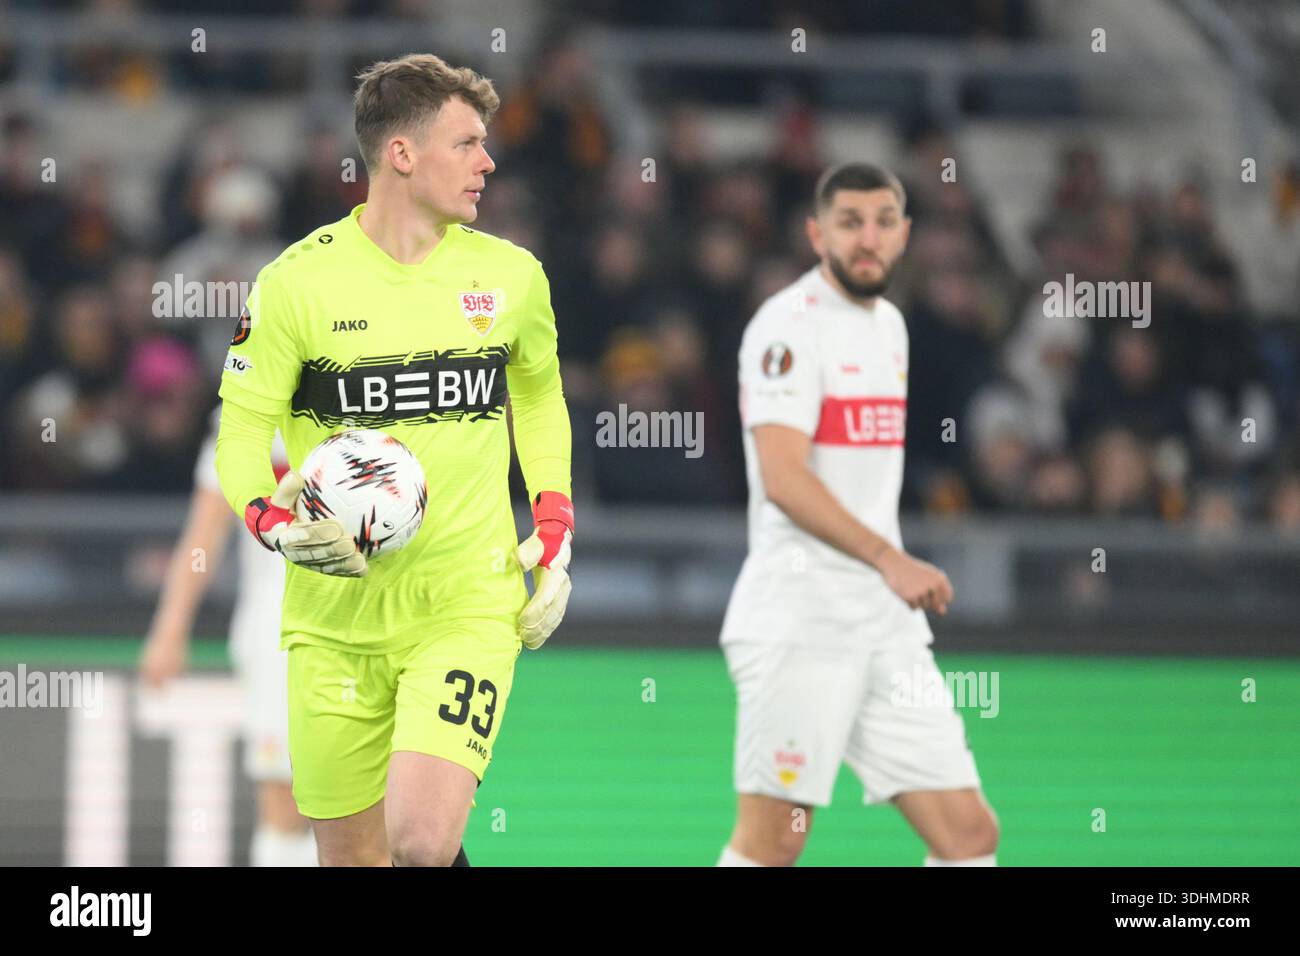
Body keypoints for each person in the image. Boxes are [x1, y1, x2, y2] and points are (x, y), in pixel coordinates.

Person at [212, 54, 573, 867]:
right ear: (402, 155)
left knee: (421, 838)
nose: (487, 163)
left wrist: (554, 519)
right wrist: (270, 523)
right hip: (334, 620)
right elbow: (239, 435)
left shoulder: (512, 279)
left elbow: (541, 399)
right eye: (467, 144)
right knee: (357, 861)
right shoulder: (293, 286)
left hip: (464, 604)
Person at [718, 162, 999, 866]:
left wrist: (884, 571)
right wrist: (887, 555)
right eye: (849, 222)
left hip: (882, 628)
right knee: (773, 843)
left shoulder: (892, 327)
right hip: (800, 622)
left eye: (883, 222)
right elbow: (783, 478)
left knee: (968, 836)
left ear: (905, 234)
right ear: (817, 233)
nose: (867, 237)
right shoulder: (785, 329)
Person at [139, 407, 317, 866]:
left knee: (374, 802)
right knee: (287, 796)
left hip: (378, 617)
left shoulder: (378, 377)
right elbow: (206, 530)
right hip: (281, 629)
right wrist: (170, 628)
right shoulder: (249, 405)